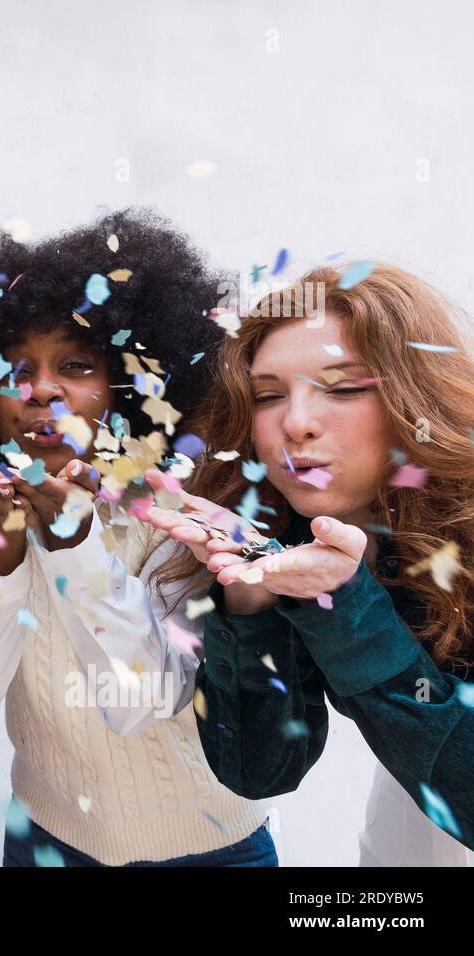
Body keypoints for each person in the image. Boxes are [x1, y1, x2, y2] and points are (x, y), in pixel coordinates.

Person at [0, 212, 276, 866]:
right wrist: (0, 558)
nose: (42, 390)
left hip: (211, 850)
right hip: (45, 842)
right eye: (15, 369)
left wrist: (72, 541)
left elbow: (141, 701)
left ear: (125, 385)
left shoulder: (181, 511)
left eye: (75, 364)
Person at [142, 262, 474, 852]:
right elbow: (259, 772)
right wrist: (250, 599)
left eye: (343, 387)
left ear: (414, 396)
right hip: (410, 810)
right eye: (268, 396)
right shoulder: (277, 529)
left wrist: (349, 610)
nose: (295, 424)